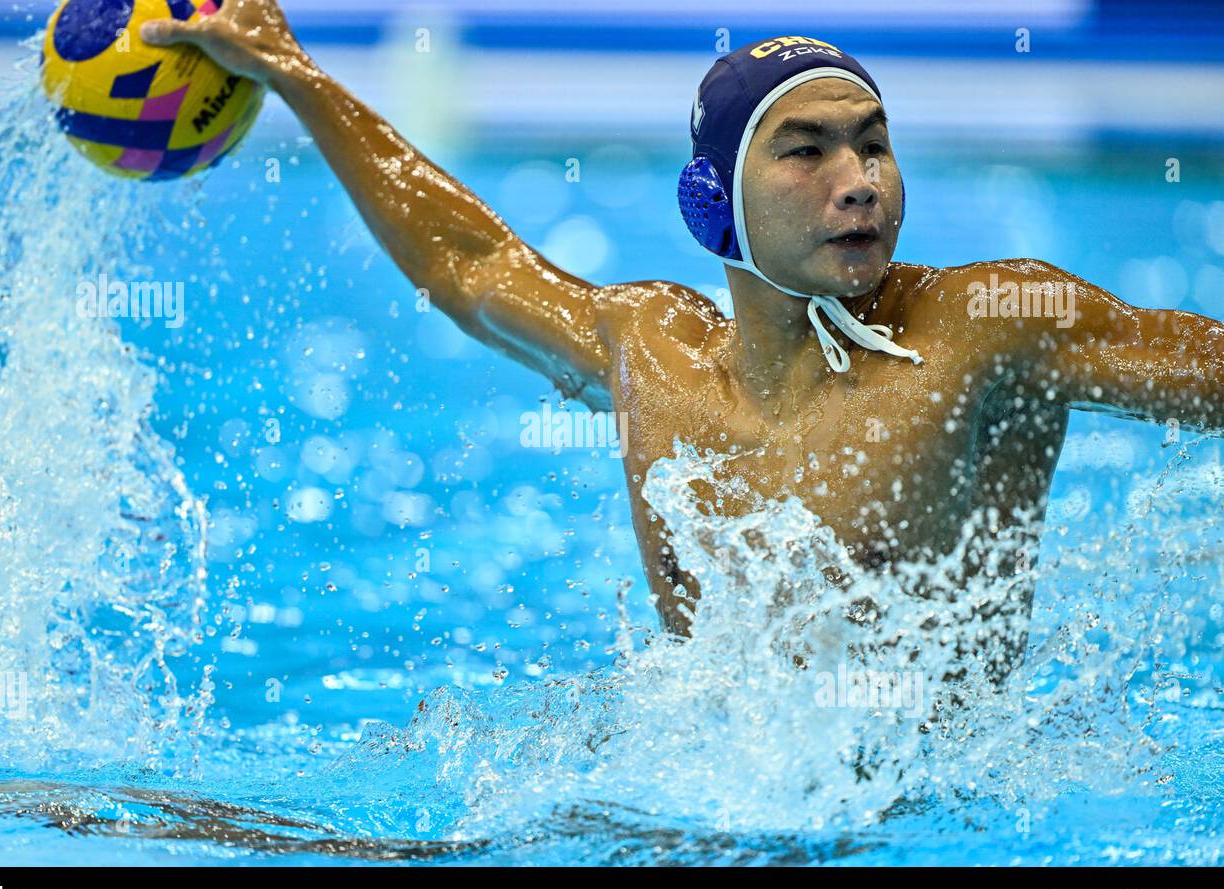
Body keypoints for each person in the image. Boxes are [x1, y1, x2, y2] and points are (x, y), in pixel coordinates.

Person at [141, 5, 1224, 655]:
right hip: (696, 814)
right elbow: (467, 264)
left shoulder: (989, 327)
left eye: (873, 146)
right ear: (711, 204)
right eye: (805, 152)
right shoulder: (651, 350)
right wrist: (292, 74)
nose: (859, 186)